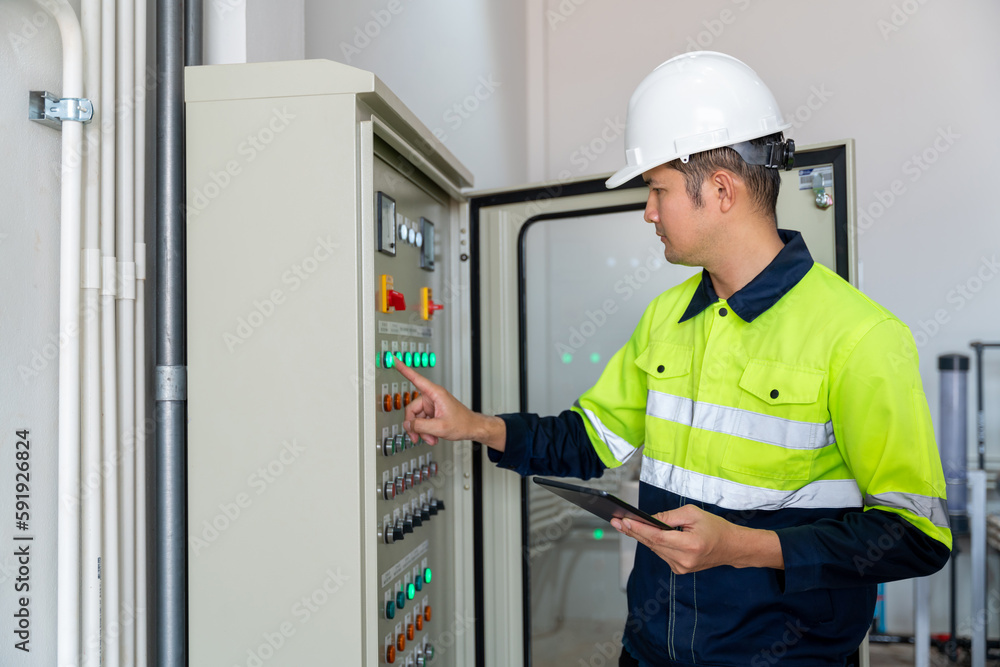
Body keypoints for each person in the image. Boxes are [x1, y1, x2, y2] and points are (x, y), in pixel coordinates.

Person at [394, 51, 951, 667]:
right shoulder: (666, 318)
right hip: (651, 647)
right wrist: (475, 425)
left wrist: (744, 547)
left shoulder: (861, 336)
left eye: (657, 190)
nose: (649, 212)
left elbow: (915, 537)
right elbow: (590, 440)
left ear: (719, 190)